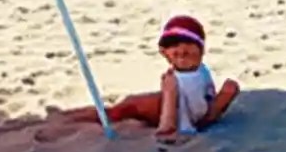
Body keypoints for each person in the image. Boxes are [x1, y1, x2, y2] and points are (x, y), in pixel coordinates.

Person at [70, 15, 239, 139]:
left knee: (120, 109)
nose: (182, 50)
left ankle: (76, 117)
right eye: (174, 46)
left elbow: (203, 110)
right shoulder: (173, 81)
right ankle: (73, 119)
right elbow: (169, 125)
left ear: (201, 50)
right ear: (165, 53)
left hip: (162, 106)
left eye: (189, 44)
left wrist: (223, 98)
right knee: (118, 111)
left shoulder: (201, 72)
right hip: (155, 107)